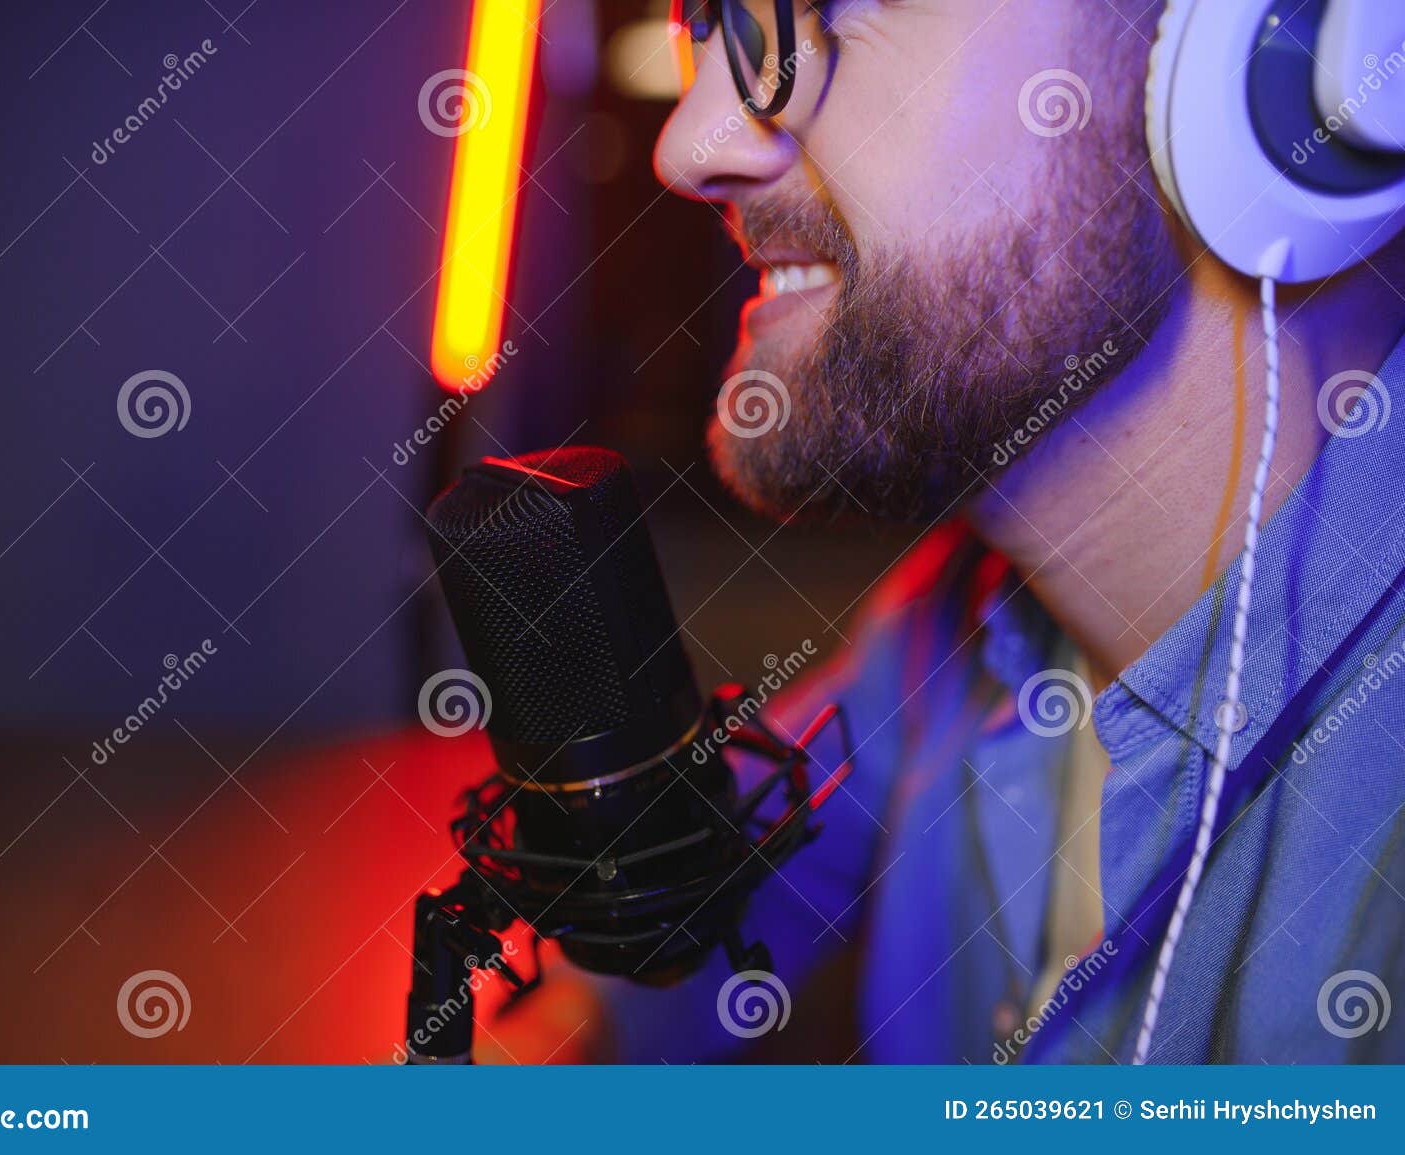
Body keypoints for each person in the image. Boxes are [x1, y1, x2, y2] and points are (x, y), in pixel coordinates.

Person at [489, 0, 1405, 1064]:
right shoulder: (943, 638)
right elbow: (667, 942)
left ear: (1274, 52)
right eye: (717, 24)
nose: (689, 146)